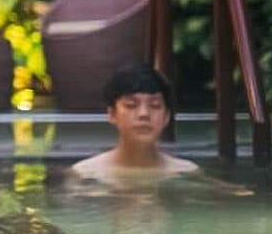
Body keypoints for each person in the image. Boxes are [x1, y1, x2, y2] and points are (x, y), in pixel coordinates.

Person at [69, 63, 198, 184]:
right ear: (112, 114)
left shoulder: (186, 173)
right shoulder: (86, 175)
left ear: (166, 117)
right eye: (131, 105)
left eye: (155, 106)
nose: (144, 114)